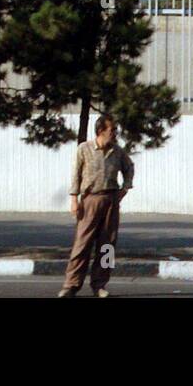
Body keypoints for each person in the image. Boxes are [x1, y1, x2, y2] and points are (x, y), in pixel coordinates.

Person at [58, 113, 134, 298]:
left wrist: (125, 188)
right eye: (112, 130)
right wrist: (74, 199)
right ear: (101, 130)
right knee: (82, 244)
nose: (115, 133)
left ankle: (100, 284)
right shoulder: (84, 149)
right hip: (90, 200)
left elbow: (129, 167)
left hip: (111, 201)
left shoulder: (117, 151)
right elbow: (76, 174)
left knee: (107, 246)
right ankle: (71, 285)